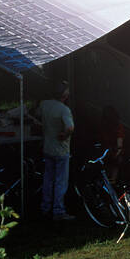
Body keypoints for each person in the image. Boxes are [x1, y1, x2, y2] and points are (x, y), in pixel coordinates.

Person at [38, 82, 75, 220]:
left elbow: (36, 115)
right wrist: (64, 135)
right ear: (64, 95)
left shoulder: (44, 104)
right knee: (60, 181)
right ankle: (58, 210)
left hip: (47, 147)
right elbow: (70, 128)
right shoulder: (64, 110)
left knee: (48, 179)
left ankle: (45, 207)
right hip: (61, 150)